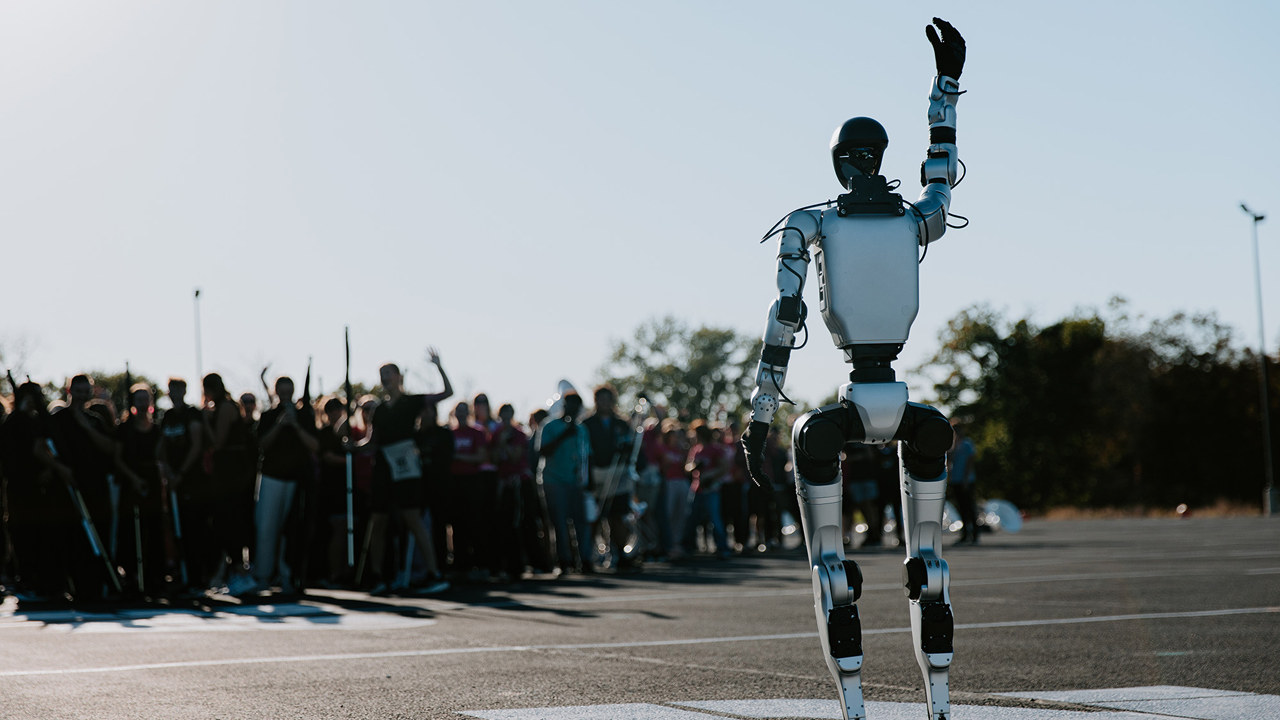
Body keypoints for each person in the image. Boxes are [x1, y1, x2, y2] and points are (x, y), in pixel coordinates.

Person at [739, 19, 968, 718]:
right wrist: (945, 88)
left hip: (844, 404)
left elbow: (784, 324)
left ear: (839, 162)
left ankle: (855, 698)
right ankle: (938, 696)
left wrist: (759, 418)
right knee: (928, 557)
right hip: (904, 399)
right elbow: (941, 172)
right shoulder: (914, 219)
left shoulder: (811, 224)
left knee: (830, 562)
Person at [363, 354, 451, 594]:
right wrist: (352, 445)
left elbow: (447, 393)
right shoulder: (379, 410)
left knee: (412, 517)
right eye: (382, 375)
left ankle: (434, 573)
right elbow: (371, 442)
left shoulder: (413, 401)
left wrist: (439, 367)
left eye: (389, 373)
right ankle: (378, 576)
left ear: (399, 376)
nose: (385, 378)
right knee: (378, 520)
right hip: (383, 463)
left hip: (406, 463)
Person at [49, 375, 118, 599]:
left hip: (95, 487)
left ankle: (98, 587)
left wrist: (86, 427)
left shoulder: (95, 419)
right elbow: (43, 448)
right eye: (78, 390)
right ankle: (74, 587)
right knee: (71, 538)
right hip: (68, 489)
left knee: (99, 534)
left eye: (85, 391)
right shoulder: (58, 419)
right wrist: (61, 469)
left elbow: (109, 448)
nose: (82, 395)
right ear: (70, 391)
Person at [251, 376, 319, 593]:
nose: (286, 393)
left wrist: (296, 425)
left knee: (291, 531)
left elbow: (315, 446)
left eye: (290, 389)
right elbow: (261, 445)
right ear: (276, 391)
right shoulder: (268, 415)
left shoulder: (304, 415)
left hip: (296, 480)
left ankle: (288, 576)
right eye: (282, 390)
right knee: (266, 528)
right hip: (271, 477)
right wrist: (280, 425)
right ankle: (263, 576)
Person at [202, 372, 257, 596]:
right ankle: (230, 574)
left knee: (231, 521)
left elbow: (218, 440)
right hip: (226, 472)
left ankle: (241, 573)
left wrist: (205, 420)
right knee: (223, 522)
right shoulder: (223, 406)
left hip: (232, 472)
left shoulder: (225, 407)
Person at [158, 377, 211, 591]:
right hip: (174, 483)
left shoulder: (192, 414)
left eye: (179, 389)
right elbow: (161, 448)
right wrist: (169, 473)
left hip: (192, 481)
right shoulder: (168, 416)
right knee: (178, 530)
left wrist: (180, 473)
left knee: (194, 529)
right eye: (172, 389)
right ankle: (183, 574)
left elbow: (196, 446)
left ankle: (199, 577)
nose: (175, 393)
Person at [115, 384, 166, 594]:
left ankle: (155, 577)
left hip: (151, 480)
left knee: (154, 527)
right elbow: (117, 459)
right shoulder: (124, 429)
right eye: (139, 399)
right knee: (130, 529)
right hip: (130, 481)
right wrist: (133, 479)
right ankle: (132, 575)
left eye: (147, 399)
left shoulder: (157, 429)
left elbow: (161, 457)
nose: (143, 403)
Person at [535, 391, 593, 573]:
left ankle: (585, 560)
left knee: (581, 523)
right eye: (570, 405)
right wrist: (564, 435)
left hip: (575, 482)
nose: (573, 409)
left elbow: (587, 456)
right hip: (554, 481)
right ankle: (563, 561)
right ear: (564, 406)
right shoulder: (550, 425)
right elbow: (543, 451)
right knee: (559, 523)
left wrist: (589, 479)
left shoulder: (582, 429)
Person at [583, 385, 638, 571]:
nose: (604, 402)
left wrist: (627, 449)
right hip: (596, 474)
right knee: (595, 518)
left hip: (618, 475)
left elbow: (631, 448)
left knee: (618, 517)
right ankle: (588, 557)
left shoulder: (621, 423)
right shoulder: (587, 424)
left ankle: (620, 554)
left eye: (608, 398)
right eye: (601, 399)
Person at [449, 400, 490, 579]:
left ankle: (481, 564)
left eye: (464, 411)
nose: (461, 414)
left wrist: (458, 456)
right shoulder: (449, 434)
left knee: (476, 523)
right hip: (455, 482)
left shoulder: (477, 433)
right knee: (458, 526)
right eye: (458, 411)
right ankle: (461, 566)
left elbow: (480, 457)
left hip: (473, 482)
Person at [414, 400, 454, 575]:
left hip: (441, 485)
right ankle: (421, 566)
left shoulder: (444, 433)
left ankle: (441, 565)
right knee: (419, 525)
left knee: (440, 525)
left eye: (430, 410)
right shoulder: (415, 435)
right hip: (420, 486)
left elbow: (447, 458)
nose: (427, 414)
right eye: (424, 410)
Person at [490, 404, 527, 580]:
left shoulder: (518, 434)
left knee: (515, 524)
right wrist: (500, 443)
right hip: (501, 484)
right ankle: (501, 565)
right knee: (500, 524)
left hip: (515, 484)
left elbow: (515, 457)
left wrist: (505, 444)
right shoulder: (496, 434)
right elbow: (495, 459)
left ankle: (517, 566)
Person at [684, 420, 730, 558]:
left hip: (711, 489)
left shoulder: (715, 449)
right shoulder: (695, 450)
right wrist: (695, 467)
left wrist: (712, 477)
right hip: (697, 489)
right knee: (692, 518)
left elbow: (724, 467)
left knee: (714, 519)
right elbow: (687, 467)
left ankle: (722, 547)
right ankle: (689, 547)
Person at [658, 419, 691, 559]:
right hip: (669, 482)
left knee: (681, 513)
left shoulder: (682, 450)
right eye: (673, 435)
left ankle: (677, 542)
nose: (676, 438)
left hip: (682, 482)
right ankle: (668, 542)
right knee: (669, 513)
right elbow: (662, 469)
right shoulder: (663, 449)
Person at [948, 421, 979, 546]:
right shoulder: (953, 445)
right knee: (961, 507)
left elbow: (970, 461)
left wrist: (966, 479)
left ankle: (974, 534)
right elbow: (949, 460)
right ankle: (965, 533)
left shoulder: (967, 443)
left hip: (966, 480)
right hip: (955, 479)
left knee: (970, 507)